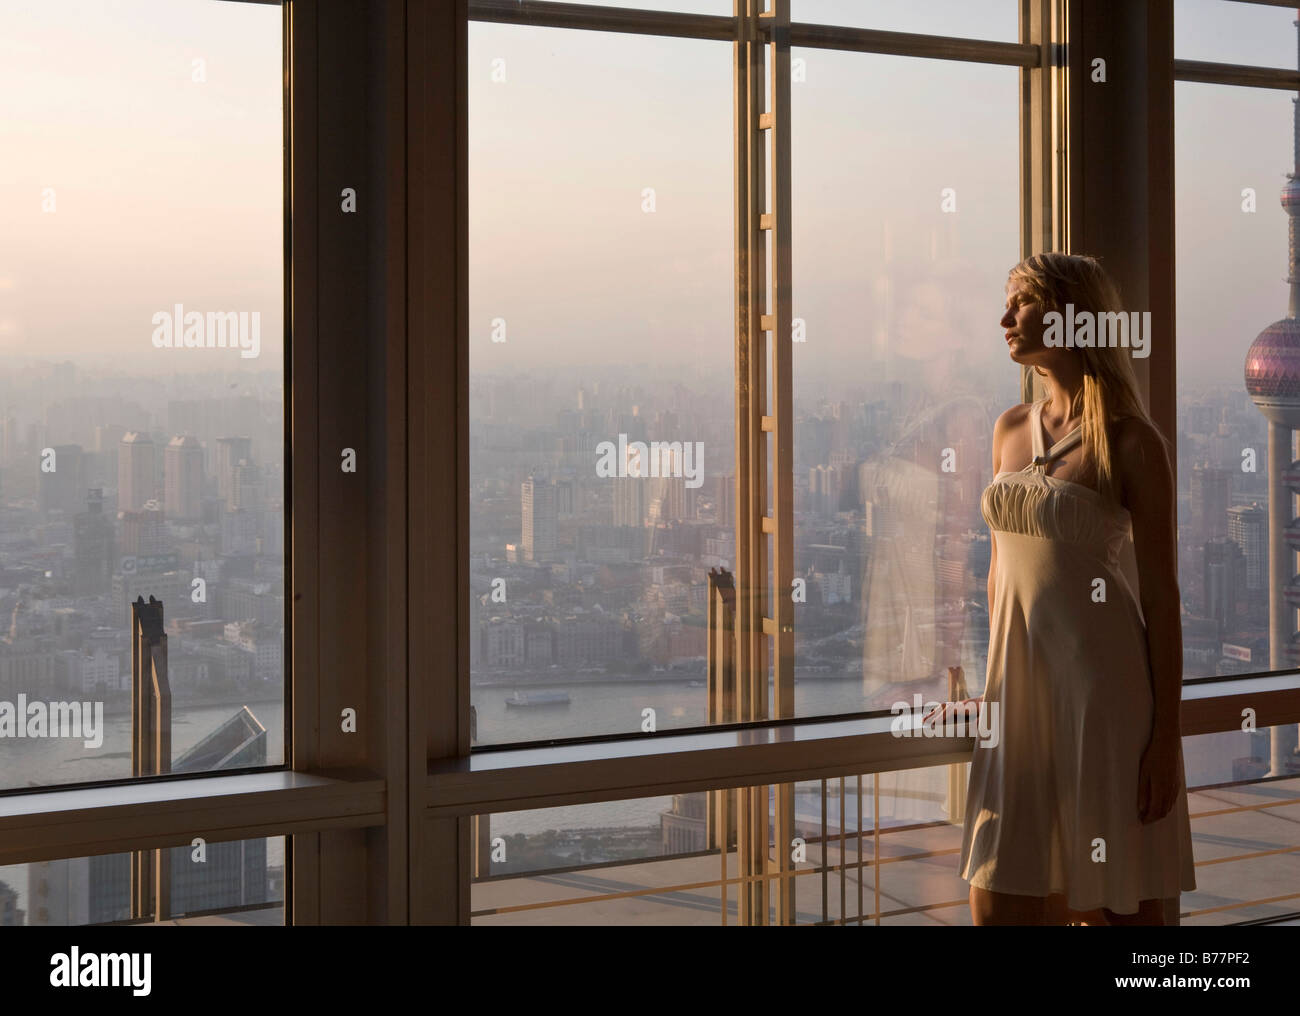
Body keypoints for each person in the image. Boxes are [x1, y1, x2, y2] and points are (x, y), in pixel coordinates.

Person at [934, 252, 1197, 925]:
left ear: (1073, 315)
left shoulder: (1131, 443)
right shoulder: (1009, 429)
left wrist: (1166, 738)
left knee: (1121, 915)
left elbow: (1163, 599)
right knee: (998, 903)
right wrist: (988, 694)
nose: (1005, 318)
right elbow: (1001, 576)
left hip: (1105, 704)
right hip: (1016, 705)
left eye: (1022, 301)